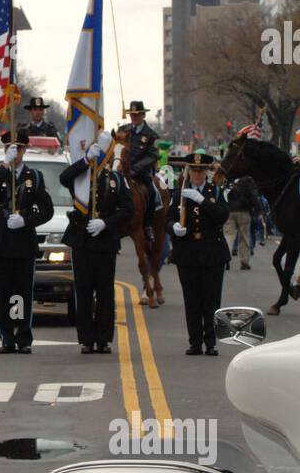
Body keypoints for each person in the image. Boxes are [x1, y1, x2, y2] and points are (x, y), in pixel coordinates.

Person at [59, 130, 133, 353]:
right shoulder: (81, 177)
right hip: (82, 240)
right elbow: (63, 178)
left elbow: (128, 209)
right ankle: (86, 338)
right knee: (83, 290)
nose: (102, 157)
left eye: (104, 153)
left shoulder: (116, 180)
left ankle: (103, 338)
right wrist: (85, 160)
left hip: (105, 242)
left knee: (104, 292)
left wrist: (107, 223)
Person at [0, 129, 53, 354]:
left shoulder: (35, 176)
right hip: (3, 241)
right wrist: (5, 164)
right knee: (3, 292)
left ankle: (23, 336)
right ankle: (6, 336)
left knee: (23, 292)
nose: (15, 151)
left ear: (25, 149)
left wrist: (26, 220)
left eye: (18, 148)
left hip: (23, 241)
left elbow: (47, 211)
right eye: (9, 148)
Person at [168, 151, 229, 356]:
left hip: (212, 253)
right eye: (193, 170)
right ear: (188, 171)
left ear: (206, 171)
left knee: (211, 300)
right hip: (188, 254)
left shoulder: (216, 192)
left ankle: (211, 342)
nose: (196, 174)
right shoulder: (179, 193)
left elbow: (222, 215)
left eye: (201, 170)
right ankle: (194, 342)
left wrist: (202, 201)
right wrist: (173, 227)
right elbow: (167, 220)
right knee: (191, 300)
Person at [118, 100, 161, 241]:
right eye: (132, 115)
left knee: (153, 193)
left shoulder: (151, 134)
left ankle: (147, 226)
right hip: (121, 172)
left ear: (143, 115)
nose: (134, 117)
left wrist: (135, 169)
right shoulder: (123, 130)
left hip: (141, 174)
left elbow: (153, 155)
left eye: (137, 115)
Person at [223, 173, 261, 271]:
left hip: (229, 210)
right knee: (244, 237)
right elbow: (254, 196)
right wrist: (259, 210)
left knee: (228, 235)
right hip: (244, 211)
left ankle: (225, 259)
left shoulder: (229, 179)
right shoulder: (248, 180)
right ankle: (244, 262)